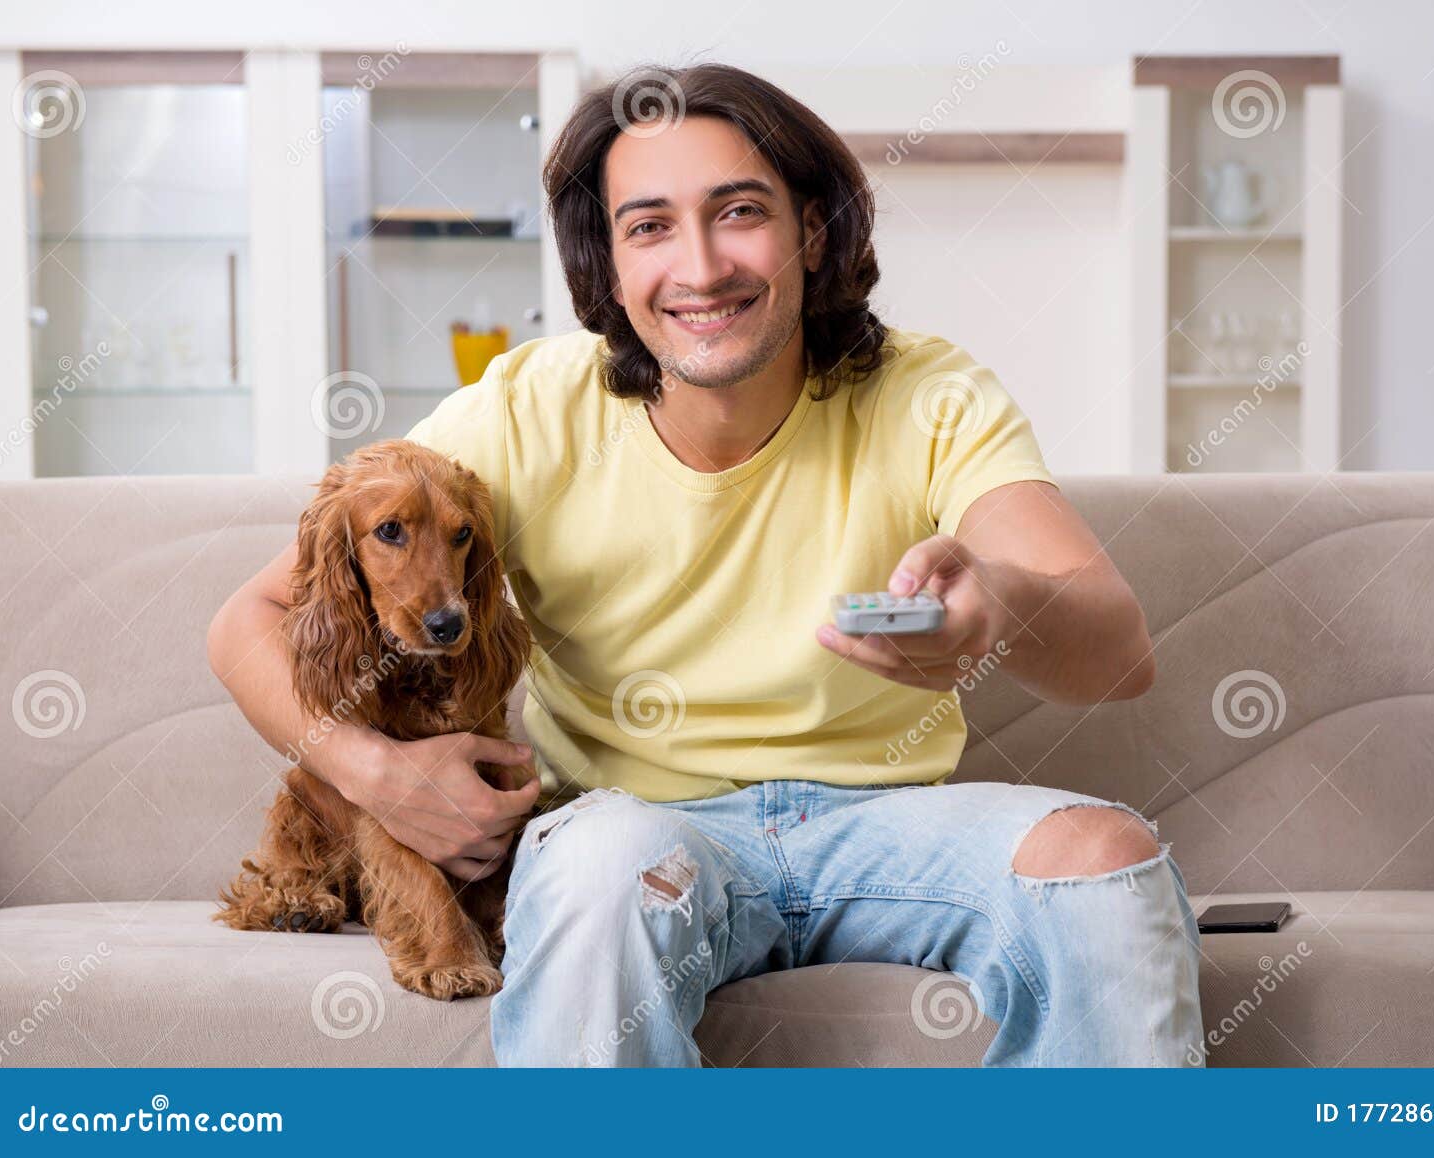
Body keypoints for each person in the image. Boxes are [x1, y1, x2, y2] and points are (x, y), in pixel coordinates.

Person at [207, 61, 1202, 1067]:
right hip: (630, 829)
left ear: (811, 230)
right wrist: (376, 774)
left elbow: (1118, 650)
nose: (700, 266)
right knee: (600, 876)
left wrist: (1000, 602)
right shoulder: (523, 410)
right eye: (648, 226)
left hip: (892, 826)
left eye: (738, 212)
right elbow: (245, 622)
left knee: (1104, 862)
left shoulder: (929, 394)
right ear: (608, 262)